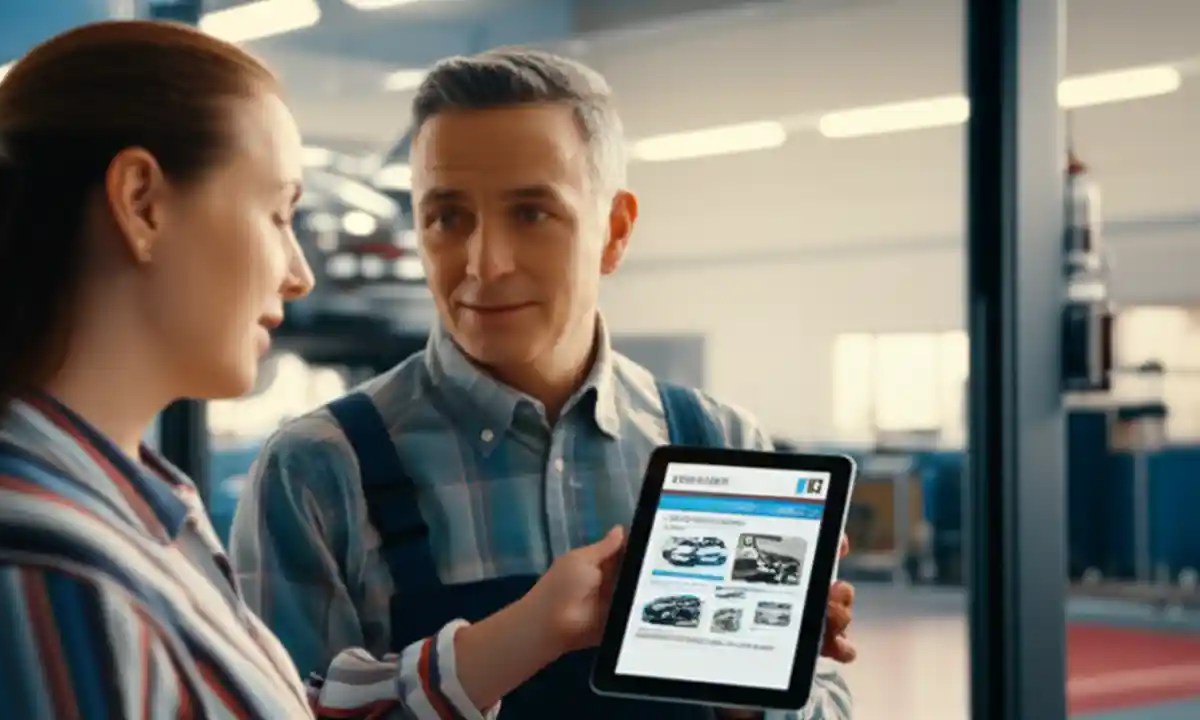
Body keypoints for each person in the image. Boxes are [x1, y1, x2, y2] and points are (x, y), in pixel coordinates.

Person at [0, 22, 635, 720]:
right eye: (276, 213)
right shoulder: (37, 572)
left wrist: (516, 640)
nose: (298, 275)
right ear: (142, 203)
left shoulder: (140, 511)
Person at [231, 48, 857, 719]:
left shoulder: (722, 446)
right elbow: (271, 708)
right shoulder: (319, 471)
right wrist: (517, 639)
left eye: (531, 214)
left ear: (614, 232)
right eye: (447, 217)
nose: (484, 263)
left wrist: (754, 687)